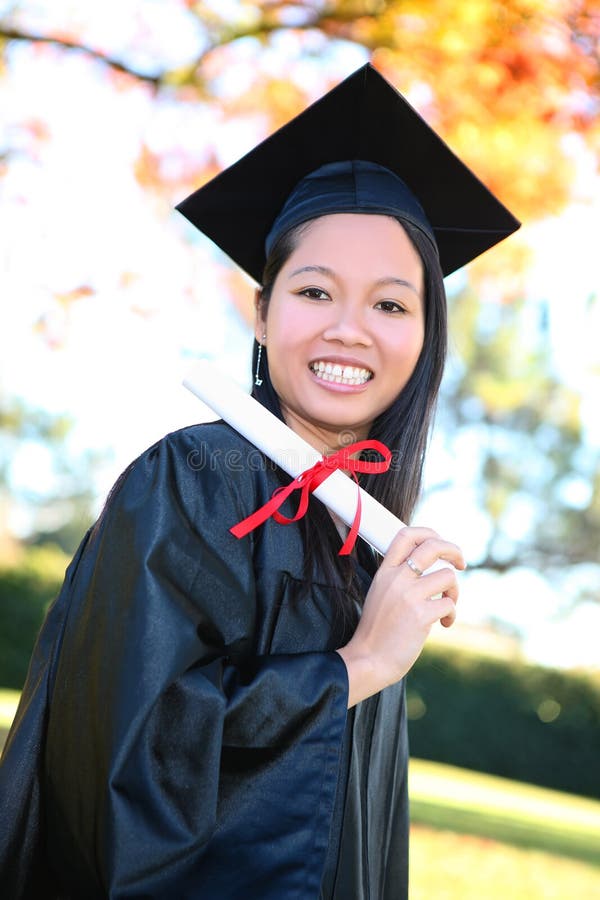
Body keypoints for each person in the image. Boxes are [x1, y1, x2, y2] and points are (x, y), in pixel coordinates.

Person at [0, 63, 519, 898]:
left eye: (391, 305)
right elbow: (120, 760)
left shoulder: (369, 534)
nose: (350, 330)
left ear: (427, 336)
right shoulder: (191, 480)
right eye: (315, 291)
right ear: (263, 309)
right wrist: (355, 668)